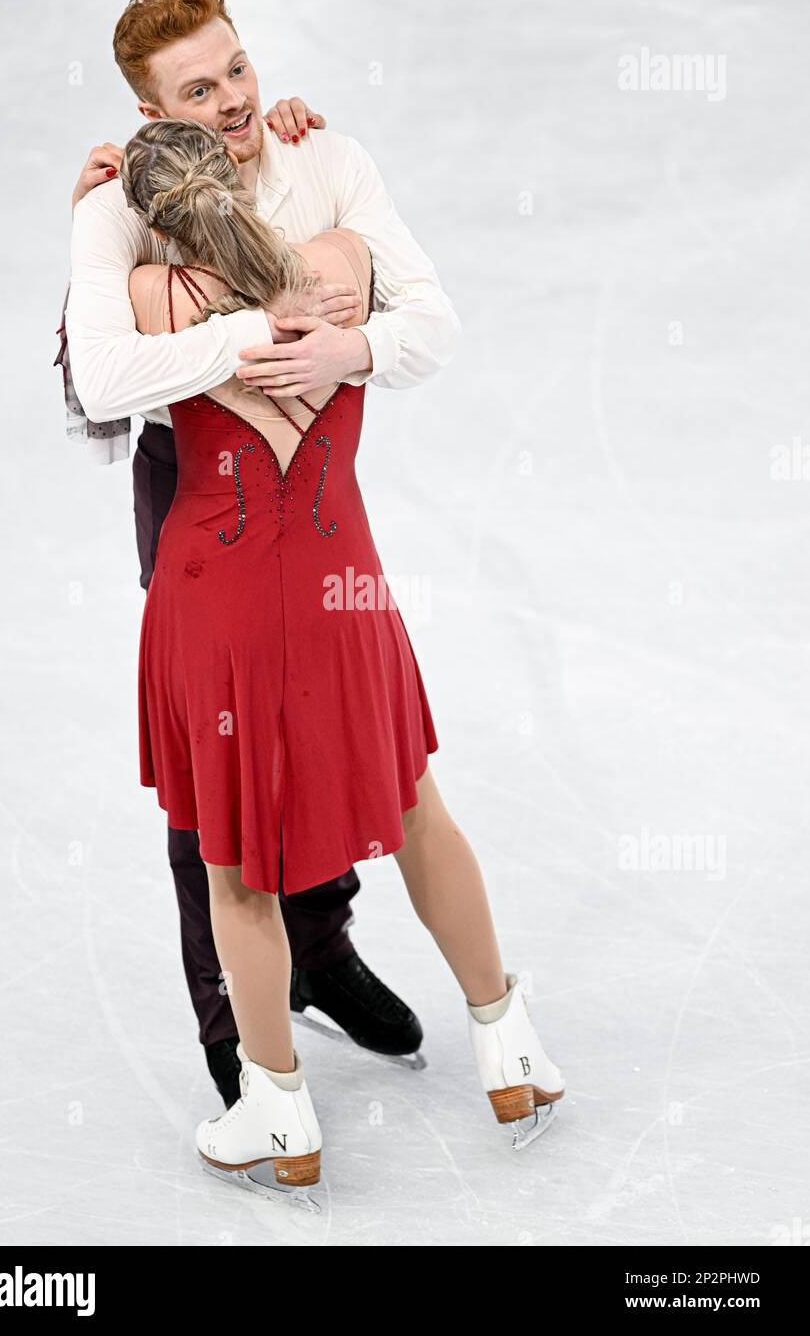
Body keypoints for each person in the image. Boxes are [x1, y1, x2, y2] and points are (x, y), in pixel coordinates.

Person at [117, 110, 565, 1204]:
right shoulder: (341, 265)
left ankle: (279, 1116)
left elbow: (115, 335)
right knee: (415, 807)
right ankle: (506, 1046)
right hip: (338, 583)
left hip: (215, 601)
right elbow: (385, 292)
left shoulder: (156, 296)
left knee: (233, 865)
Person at [57, 0, 465, 1108]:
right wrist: (254, 331)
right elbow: (97, 395)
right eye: (198, 87)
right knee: (220, 767)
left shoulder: (308, 154)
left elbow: (423, 325)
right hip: (193, 494)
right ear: (150, 113)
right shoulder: (122, 204)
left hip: (312, 497)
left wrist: (344, 346)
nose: (235, 98)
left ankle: (319, 947)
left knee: (317, 716)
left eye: (236, 68)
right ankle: (228, 1016)